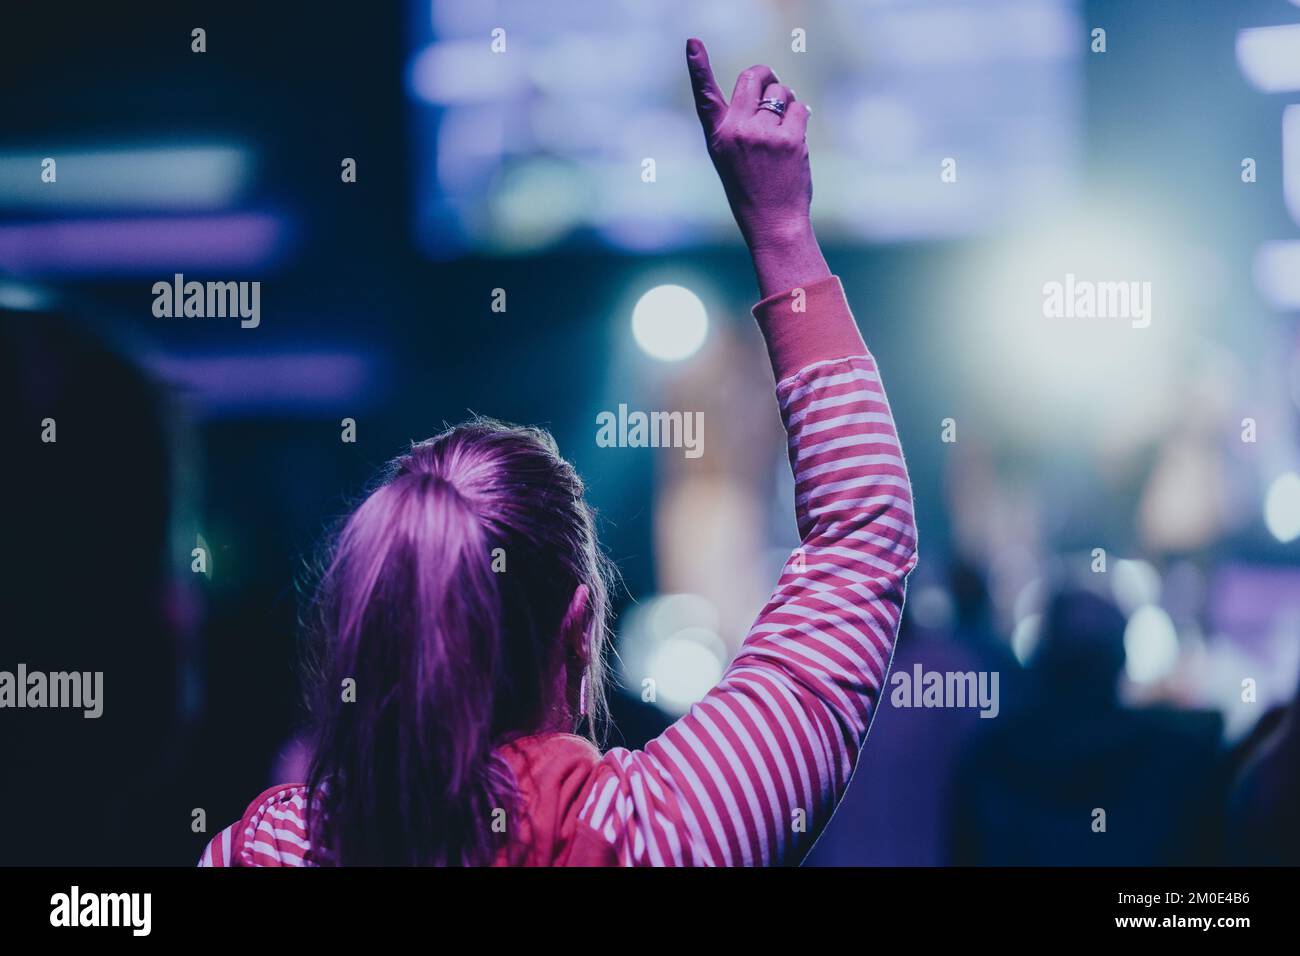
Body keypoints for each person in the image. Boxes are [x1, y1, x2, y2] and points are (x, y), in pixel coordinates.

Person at [200, 38, 917, 867]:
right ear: (578, 637)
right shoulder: (665, 834)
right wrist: (781, 224)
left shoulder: (265, 851)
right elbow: (860, 541)